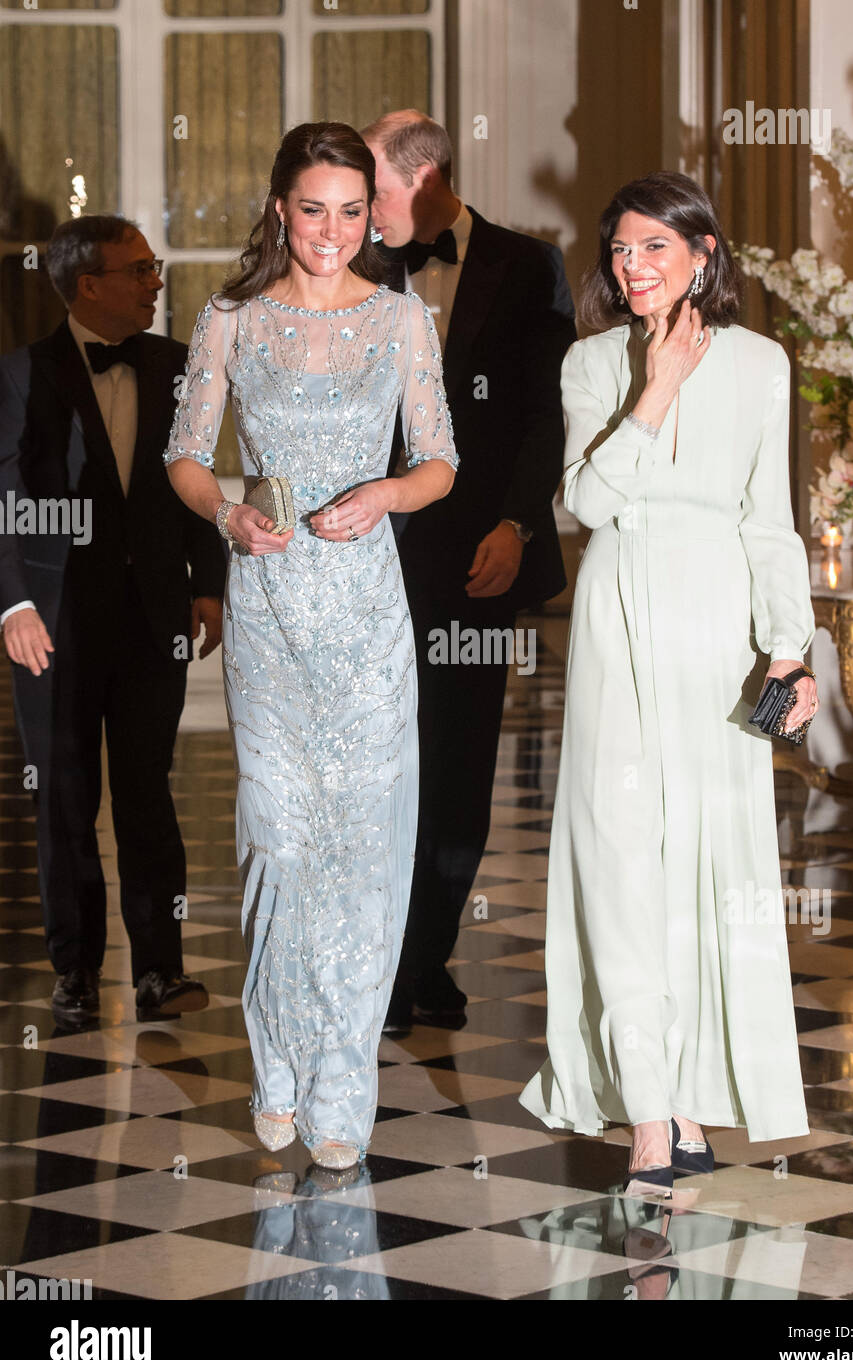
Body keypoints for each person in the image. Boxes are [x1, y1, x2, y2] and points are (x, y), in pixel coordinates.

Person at [164, 121, 458, 1169]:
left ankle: (342, 1077)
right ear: (278, 207)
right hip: (269, 605)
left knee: (364, 851)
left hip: (369, 615)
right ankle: (277, 1061)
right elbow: (185, 457)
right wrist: (230, 516)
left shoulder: (400, 320)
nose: (330, 230)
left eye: (349, 210)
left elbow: (439, 463)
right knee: (280, 843)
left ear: (370, 214)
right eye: (310, 209)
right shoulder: (231, 320)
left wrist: (383, 492)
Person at [518, 173, 819, 1195]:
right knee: (615, 858)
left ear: (703, 253)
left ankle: (689, 1098)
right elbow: (588, 501)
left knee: (705, 866)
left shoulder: (762, 364)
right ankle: (648, 1115)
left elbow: (768, 515)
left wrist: (789, 646)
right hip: (616, 618)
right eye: (619, 251)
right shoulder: (591, 362)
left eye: (653, 247)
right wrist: (652, 389)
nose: (631, 266)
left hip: (718, 630)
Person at [361, 110, 576, 1029]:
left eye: (375, 190)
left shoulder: (528, 269)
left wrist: (520, 525)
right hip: (366, 559)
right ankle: (381, 961)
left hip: (479, 561)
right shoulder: (357, 266)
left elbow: (544, 416)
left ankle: (423, 955)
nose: (362, 211)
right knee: (375, 766)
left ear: (429, 175)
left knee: (456, 770)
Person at [0, 215, 225, 1026]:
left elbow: (192, 481)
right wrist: (14, 604)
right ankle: (75, 971)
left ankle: (161, 971)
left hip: (152, 617)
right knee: (62, 798)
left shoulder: (173, 365)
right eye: (140, 269)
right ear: (88, 285)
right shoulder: (24, 374)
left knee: (146, 796)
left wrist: (210, 582)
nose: (156, 281)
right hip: (52, 623)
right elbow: (7, 500)